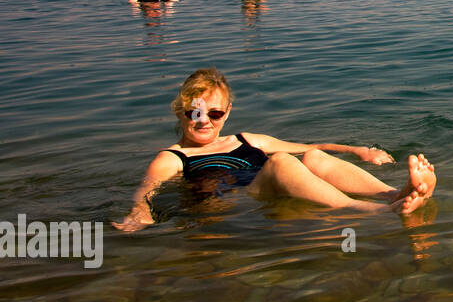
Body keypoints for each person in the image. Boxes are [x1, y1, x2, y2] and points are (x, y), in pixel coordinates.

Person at [113, 68, 435, 232]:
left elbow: (314, 147)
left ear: (226, 112)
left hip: (266, 188)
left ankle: (394, 193)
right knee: (280, 162)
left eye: (215, 113)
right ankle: (374, 211)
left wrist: (360, 150)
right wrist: (139, 214)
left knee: (310, 158)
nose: (205, 122)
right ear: (182, 111)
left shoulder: (247, 139)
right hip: (229, 205)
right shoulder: (172, 157)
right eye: (196, 113)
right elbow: (146, 192)